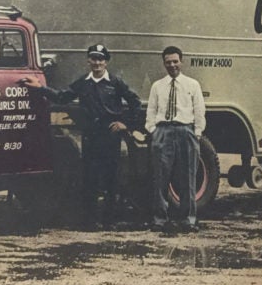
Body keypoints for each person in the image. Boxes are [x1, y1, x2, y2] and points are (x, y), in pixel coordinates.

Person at [23, 44, 141, 230]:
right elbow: (62, 97)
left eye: (100, 59)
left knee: (111, 179)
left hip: (110, 136)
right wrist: (40, 88)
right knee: (90, 179)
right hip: (91, 137)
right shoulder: (83, 83)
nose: (97, 63)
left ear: (106, 62)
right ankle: (90, 221)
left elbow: (135, 101)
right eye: (93, 59)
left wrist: (125, 124)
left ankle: (109, 221)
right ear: (88, 61)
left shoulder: (115, 82)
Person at [145, 46, 206, 234]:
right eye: (168, 62)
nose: (172, 65)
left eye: (175, 61)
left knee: (188, 177)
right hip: (163, 131)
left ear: (181, 61)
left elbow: (199, 110)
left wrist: (196, 132)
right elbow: (151, 110)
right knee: (160, 177)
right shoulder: (157, 86)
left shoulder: (192, 84)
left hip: (185, 131)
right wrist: (153, 130)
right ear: (164, 63)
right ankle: (159, 219)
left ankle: (188, 219)